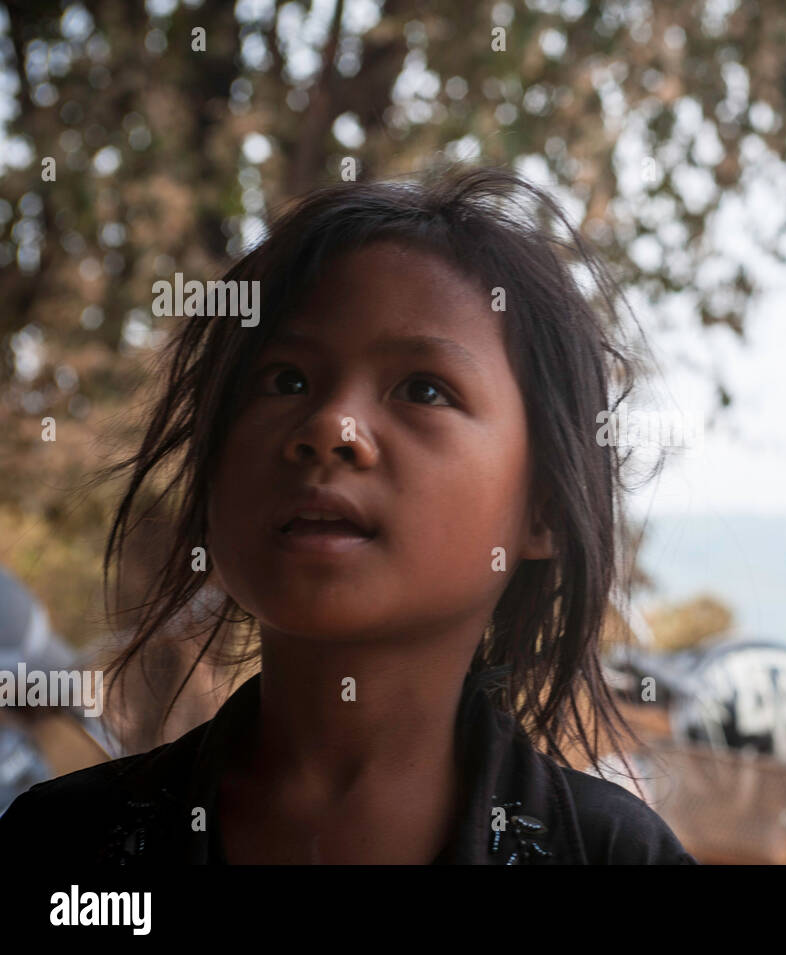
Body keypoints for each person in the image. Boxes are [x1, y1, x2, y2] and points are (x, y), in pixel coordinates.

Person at [0, 162, 697, 865]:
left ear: (543, 507)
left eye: (423, 389)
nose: (329, 424)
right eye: (286, 379)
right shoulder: (62, 845)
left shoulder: (613, 855)